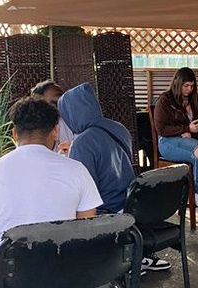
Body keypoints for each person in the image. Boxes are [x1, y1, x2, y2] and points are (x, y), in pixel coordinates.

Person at [0, 96, 102, 262]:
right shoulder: (77, 170)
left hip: (8, 275)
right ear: (55, 131)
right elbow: (86, 230)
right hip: (63, 274)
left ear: (14, 134)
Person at [58, 84, 169, 273]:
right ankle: (134, 257)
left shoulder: (82, 142)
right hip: (132, 203)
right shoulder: (118, 128)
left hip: (107, 209)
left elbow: (85, 188)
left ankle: (103, 265)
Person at [153, 67, 198, 211]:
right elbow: (161, 130)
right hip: (168, 141)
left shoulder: (196, 98)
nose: (189, 89)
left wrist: (193, 131)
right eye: (186, 86)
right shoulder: (165, 100)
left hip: (192, 136)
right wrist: (186, 129)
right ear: (177, 83)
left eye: (192, 86)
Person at [31, 79, 74, 154]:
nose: (59, 107)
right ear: (38, 102)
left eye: (61, 103)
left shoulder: (68, 123)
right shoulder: (29, 128)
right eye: (54, 103)